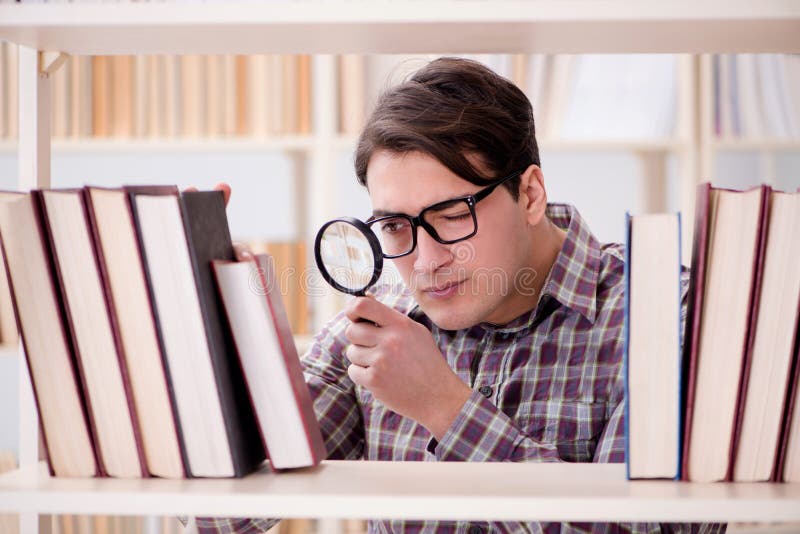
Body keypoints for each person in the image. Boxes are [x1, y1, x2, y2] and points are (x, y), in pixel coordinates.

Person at [193, 57, 724, 534]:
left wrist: (446, 408)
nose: (424, 263)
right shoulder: (378, 326)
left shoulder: (668, 318)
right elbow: (220, 516)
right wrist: (229, 327)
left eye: (452, 217)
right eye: (395, 227)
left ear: (531, 194)